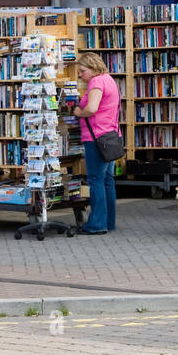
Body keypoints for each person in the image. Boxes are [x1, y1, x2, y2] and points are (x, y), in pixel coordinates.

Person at [71, 51, 121, 235]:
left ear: (93, 68)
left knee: (96, 180)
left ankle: (97, 224)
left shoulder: (97, 82)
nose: (80, 75)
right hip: (110, 136)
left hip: (97, 138)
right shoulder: (109, 79)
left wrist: (78, 112)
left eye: (83, 71)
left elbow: (91, 109)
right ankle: (108, 221)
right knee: (107, 180)